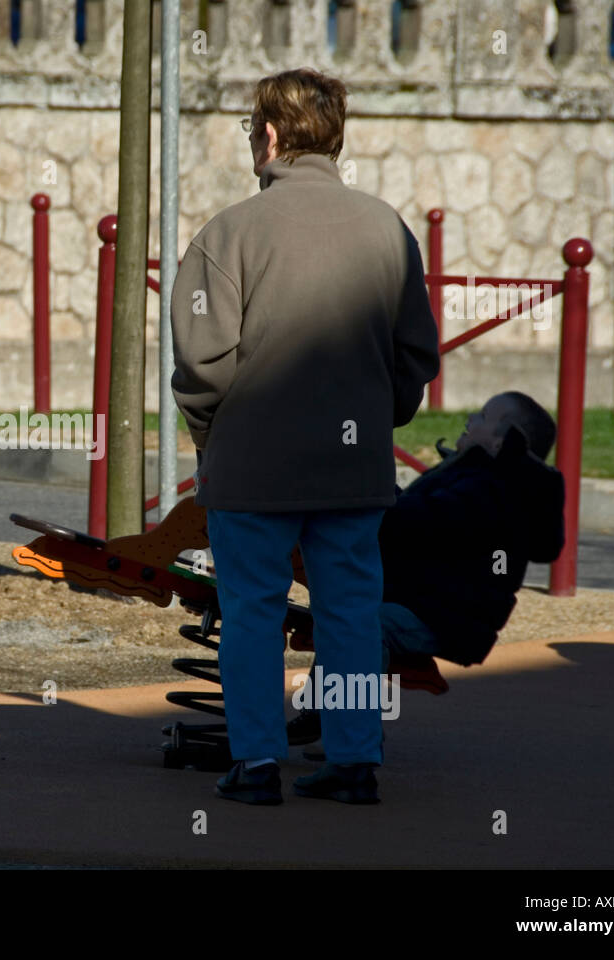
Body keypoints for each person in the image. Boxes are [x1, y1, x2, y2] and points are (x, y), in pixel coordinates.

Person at [170, 68, 440, 806]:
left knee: (251, 610)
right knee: (349, 609)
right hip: (351, 467)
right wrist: (373, 414)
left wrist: (210, 435)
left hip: (252, 463)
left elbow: (202, 364)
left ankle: (255, 763)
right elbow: (416, 354)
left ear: (267, 135)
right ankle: (354, 759)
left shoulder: (228, 232)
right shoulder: (387, 227)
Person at [289, 391, 567, 750]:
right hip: (426, 603)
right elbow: (420, 517)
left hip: (445, 617)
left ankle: (356, 744)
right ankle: (327, 714)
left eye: (482, 416)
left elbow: (418, 521)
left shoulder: (493, 489)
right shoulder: (477, 476)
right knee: (351, 613)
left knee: (362, 625)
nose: (469, 418)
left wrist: (371, 493)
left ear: (503, 440)